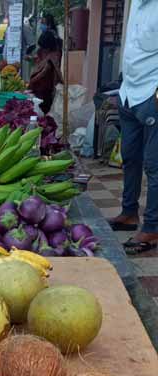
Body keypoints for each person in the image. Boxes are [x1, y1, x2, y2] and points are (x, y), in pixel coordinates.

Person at [107, 0, 158, 254]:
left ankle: (152, 226)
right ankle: (129, 213)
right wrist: (121, 85)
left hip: (152, 92)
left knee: (154, 164)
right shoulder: (136, 2)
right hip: (128, 92)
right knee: (129, 157)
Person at [28, 30, 63, 115]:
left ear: (49, 46)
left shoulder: (55, 55)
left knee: (43, 111)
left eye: (44, 48)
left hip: (46, 90)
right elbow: (38, 61)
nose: (43, 49)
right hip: (37, 88)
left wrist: (32, 81)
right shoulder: (41, 51)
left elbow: (50, 73)